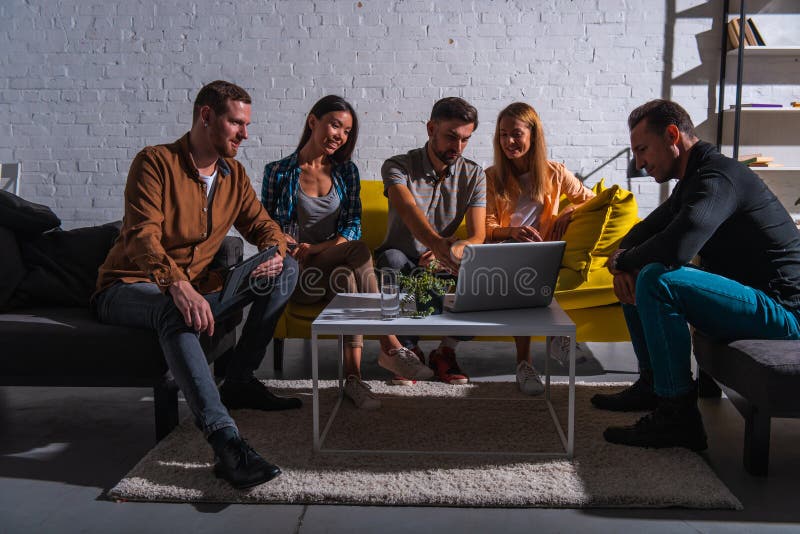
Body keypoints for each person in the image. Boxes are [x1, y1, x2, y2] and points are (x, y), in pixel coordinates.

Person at [94, 80, 301, 490]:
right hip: (128, 287)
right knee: (176, 309)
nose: (245, 133)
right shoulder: (155, 162)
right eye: (236, 123)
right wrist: (175, 284)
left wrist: (275, 251)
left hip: (195, 287)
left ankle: (239, 378)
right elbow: (141, 236)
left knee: (288, 269)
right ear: (206, 116)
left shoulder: (233, 175)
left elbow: (263, 225)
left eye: (246, 124)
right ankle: (226, 442)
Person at [593, 99, 800, 451]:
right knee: (643, 268)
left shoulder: (719, 177)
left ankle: (679, 417)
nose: (640, 163)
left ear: (672, 135)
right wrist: (622, 262)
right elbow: (646, 229)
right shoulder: (692, 180)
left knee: (657, 278)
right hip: (753, 299)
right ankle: (654, 384)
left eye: (643, 149)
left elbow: (678, 247)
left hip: (783, 311)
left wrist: (627, 260)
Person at [261, 95, 433, 407]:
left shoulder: (346, 172)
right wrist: (291, 248)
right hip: (299, 274)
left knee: (348, 275)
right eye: (335, 125)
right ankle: (390, 346)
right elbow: (268, 228)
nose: (340, 135)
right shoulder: (278, 172)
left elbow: (352, 225)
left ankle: (353, 381)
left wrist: (317, 248)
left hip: (329, 263)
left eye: (347, 131)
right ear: (313, 121)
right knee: (356, 257)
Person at [484, 102, 595, 395]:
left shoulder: (555, 172)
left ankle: (528, 362)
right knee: (523, 265)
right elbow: (486, 227)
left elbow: (592, 199)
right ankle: (540, 351)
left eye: (516, 134)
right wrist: (512, 231)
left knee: (534, 267)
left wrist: (568, 211)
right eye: (503, 135)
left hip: (545, 253)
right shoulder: (492, 176)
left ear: (533, 135)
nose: (509, 141)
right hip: (507, 250)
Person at [376, 97, 487, 385]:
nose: (458, 147)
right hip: (402, 257)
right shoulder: (397, 166)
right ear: (431, 128)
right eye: (451, 136)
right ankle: (409, 351)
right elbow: (409, 211)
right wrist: (436, 244)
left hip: (442, 258)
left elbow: (477, 235)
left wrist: (451, 251)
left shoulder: (474, 174)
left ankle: (446, 351)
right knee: (391, 260)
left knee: (476, 267)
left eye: (466, 139)